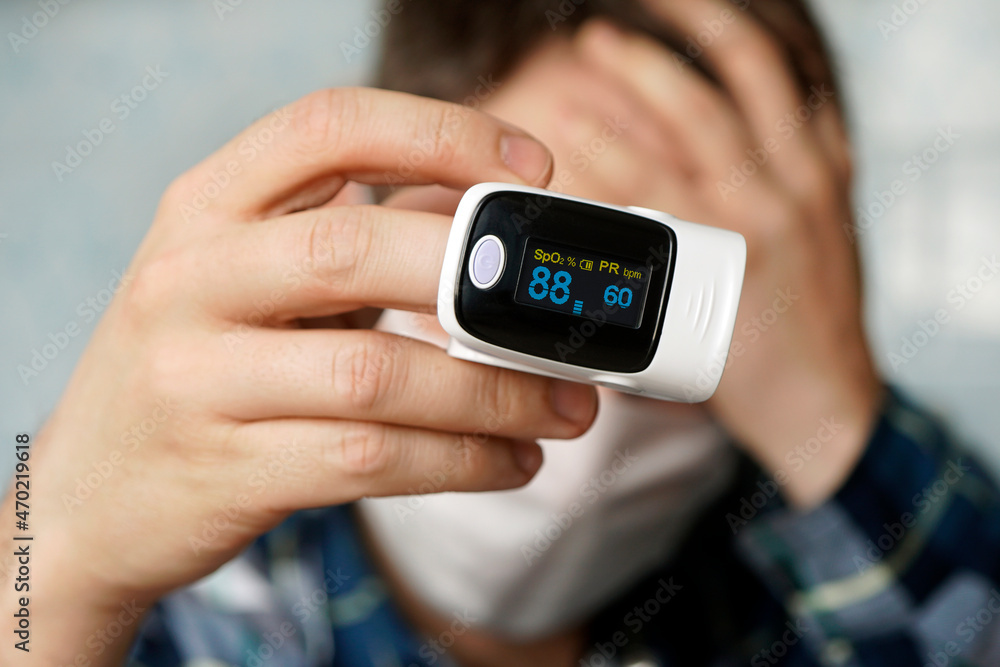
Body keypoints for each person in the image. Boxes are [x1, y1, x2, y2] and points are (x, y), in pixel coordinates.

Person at [1, 3, 997, 667]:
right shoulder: (173, 524)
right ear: (370, 228)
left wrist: (834, 427)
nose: (581, 373)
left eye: (651, 298)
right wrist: (54, 557)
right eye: (541, 253)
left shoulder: (812, 561)